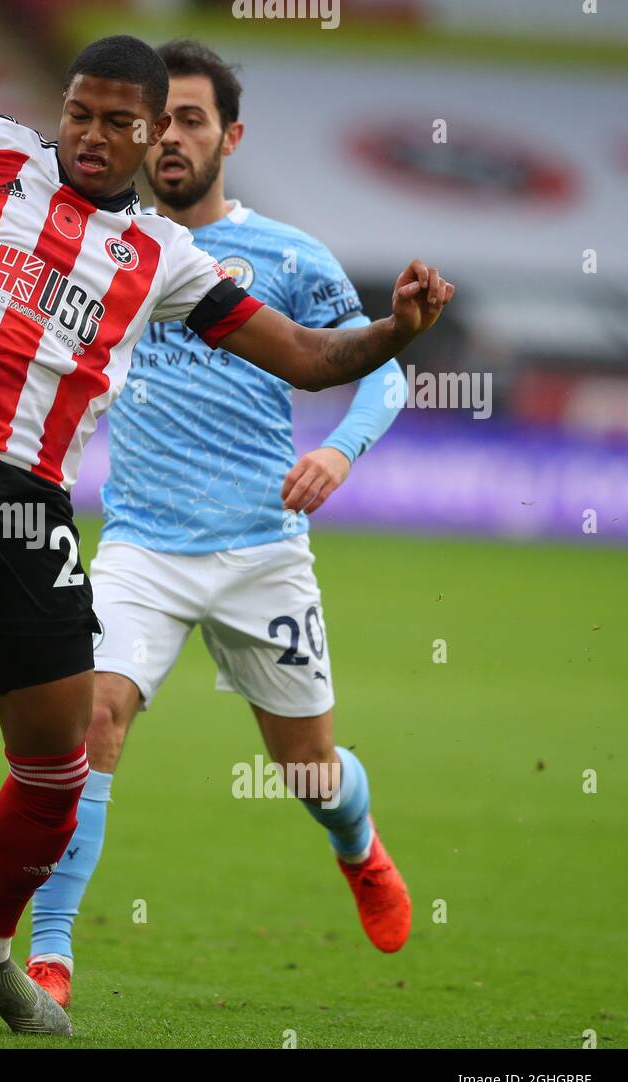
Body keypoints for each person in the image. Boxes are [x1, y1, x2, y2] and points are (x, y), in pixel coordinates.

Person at [0, 33, 453, 1035]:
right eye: (84, 112)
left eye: (139, 121)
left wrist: (393, 340)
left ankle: (340, 847)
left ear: (182, 133)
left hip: (166, 528)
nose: (107, 135)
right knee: (68, 708)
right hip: (37, 494)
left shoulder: (192, 261)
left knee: (226, 766)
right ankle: (43, 948)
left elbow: (310, 356)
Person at [26, 40, 414, 1011]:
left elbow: (381, 368)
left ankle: (356, 845)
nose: (171, 138)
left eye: (193, 119)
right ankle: (50, 952)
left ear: (229, 136)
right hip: (141, 548)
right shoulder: (109, 242)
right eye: (160, 120)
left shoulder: (287, 255)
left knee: (307, 769)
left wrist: (338, 451)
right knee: (92, 719)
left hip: (259, 551)